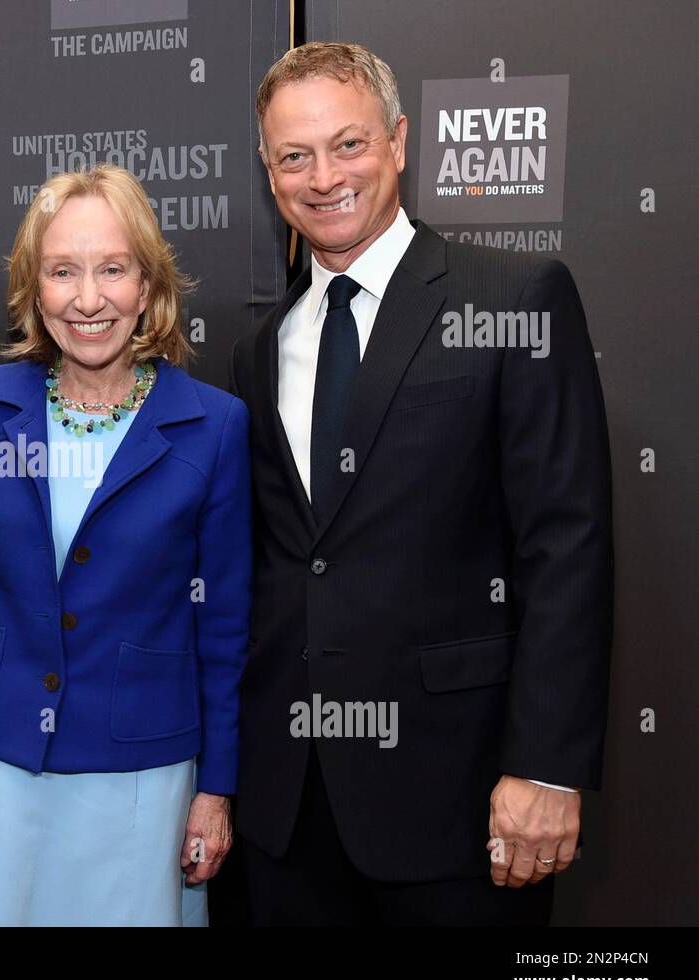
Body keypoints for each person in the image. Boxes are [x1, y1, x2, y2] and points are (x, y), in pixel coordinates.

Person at [230, 42, 613, 925]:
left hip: (463, 800)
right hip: (288, 809)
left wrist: (547, 768)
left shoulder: (515, 297)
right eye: (294, 156)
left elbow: (568, 545)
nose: (323, 177)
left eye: (348, 145)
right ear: (269, 170)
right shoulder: (260, 347)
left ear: (399, 143)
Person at [0, 164, 250, 925]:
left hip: (136, 774)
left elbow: (223, 625)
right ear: (34, 288)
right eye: (63, 272)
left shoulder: (213, 426)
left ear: (148, 285)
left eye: (112, 270)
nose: (89, 299)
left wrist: (215, 790)